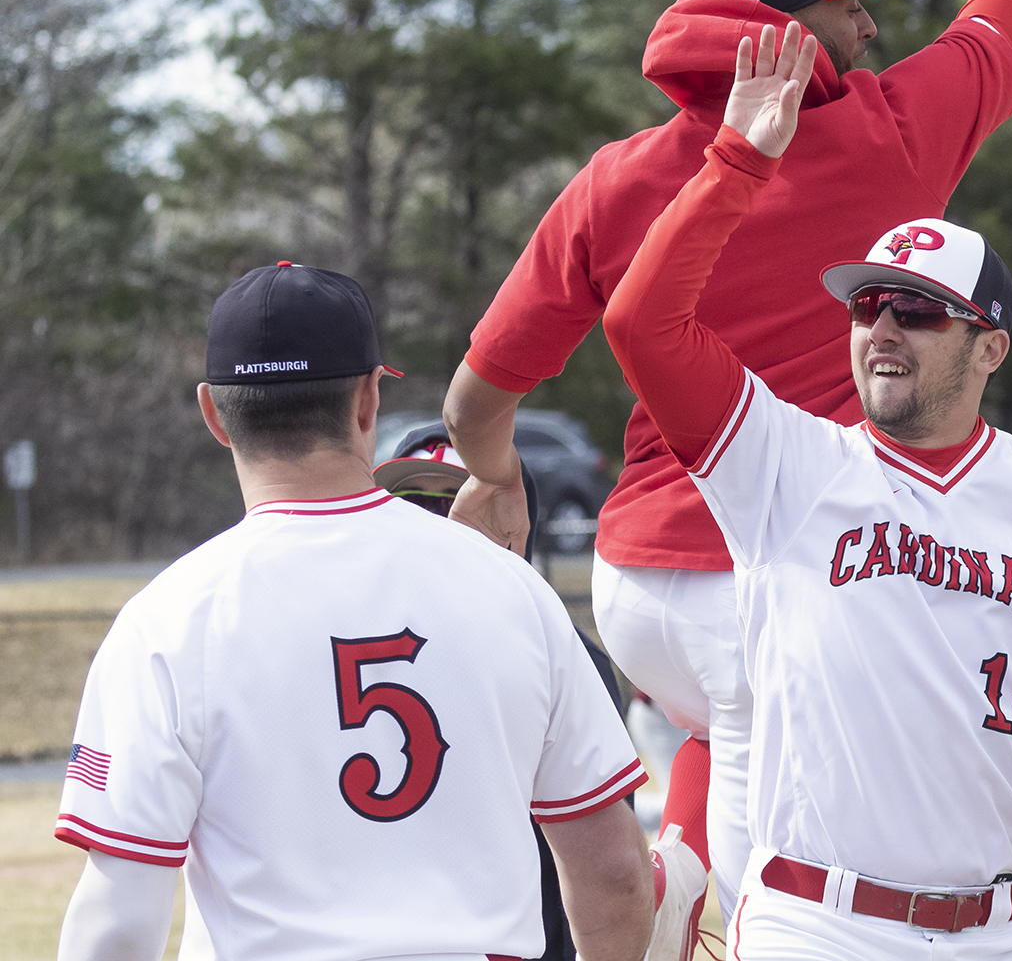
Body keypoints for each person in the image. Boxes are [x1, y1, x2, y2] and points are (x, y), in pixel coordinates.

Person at [441, 0, 1012, 949]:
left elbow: (474, 403)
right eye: (849, 7)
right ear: (785, 34)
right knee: (788, 913)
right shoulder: (893, 135)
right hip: (773, 593)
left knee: (712, 747)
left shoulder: (614, 179)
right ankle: (684, 901)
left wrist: (497, 478)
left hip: (638, 589)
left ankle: (677, 873)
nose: (870, 27)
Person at [602, 22, 1012, 959]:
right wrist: (736, 163)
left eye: (920, 309)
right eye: (866, 305)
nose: (883, 327)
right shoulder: (786, 466)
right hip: (818, 923)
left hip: (999, 935)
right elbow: (644, 326)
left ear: (990, 348)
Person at [54, 263, 653, 961]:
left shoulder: (166, 620)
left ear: (215, 414)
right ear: (369, 401)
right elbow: (614, 876)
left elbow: (120, 919)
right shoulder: (514, 591)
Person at [373, 426, 634, 961]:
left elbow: (601, 871)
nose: (437, 525)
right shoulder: (343, 648)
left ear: (517, 521)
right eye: (413, 505)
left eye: (454, 503)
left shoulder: (566, 656)